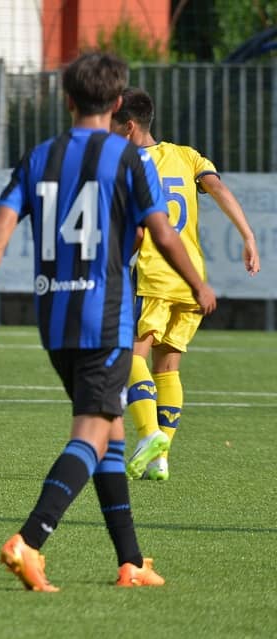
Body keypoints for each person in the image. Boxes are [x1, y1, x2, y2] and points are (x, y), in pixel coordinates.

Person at [0, 52, 217, 591]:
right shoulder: (126, 160)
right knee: (92, 435)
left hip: (54, 320)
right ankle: (28, 541)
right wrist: (199, 283)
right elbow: (161, 232)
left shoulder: (39, 156)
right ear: (117, 103)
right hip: (107, 320)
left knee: (112, 435)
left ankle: (131, 561)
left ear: (68, 100)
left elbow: (2, 227)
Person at [111, 87, 261, 481]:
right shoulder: (187, 155)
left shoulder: (126, 162)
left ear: (128, 127)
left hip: (155, 273)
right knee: (168, 367)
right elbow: (219, 189)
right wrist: (247, 235)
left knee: (131, 358)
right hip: (192, 278)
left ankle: (147, 436)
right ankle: (161, 459)